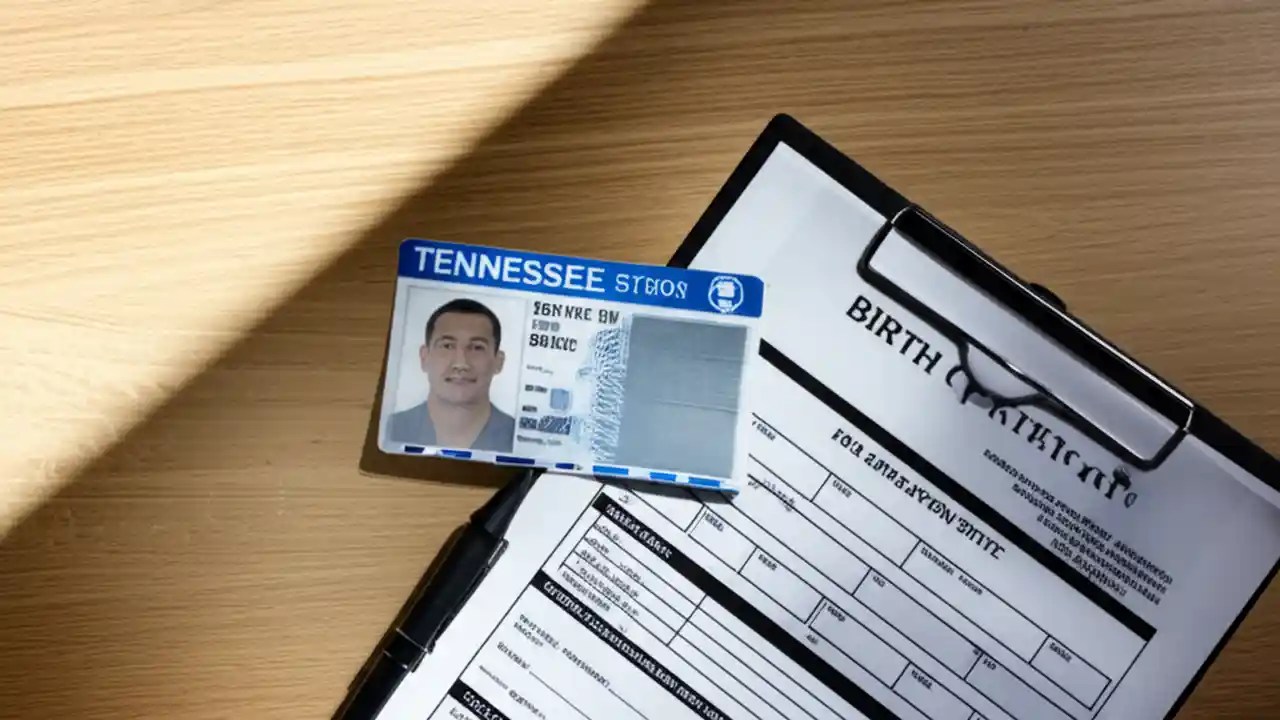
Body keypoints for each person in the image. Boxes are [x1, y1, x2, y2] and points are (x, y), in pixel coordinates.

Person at [388, 298, 515, 451]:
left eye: (477, 347)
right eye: (447, 346)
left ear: (498, 362)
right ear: (424, 357)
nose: (461, 364)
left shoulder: (519, 439)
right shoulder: (390, 430)